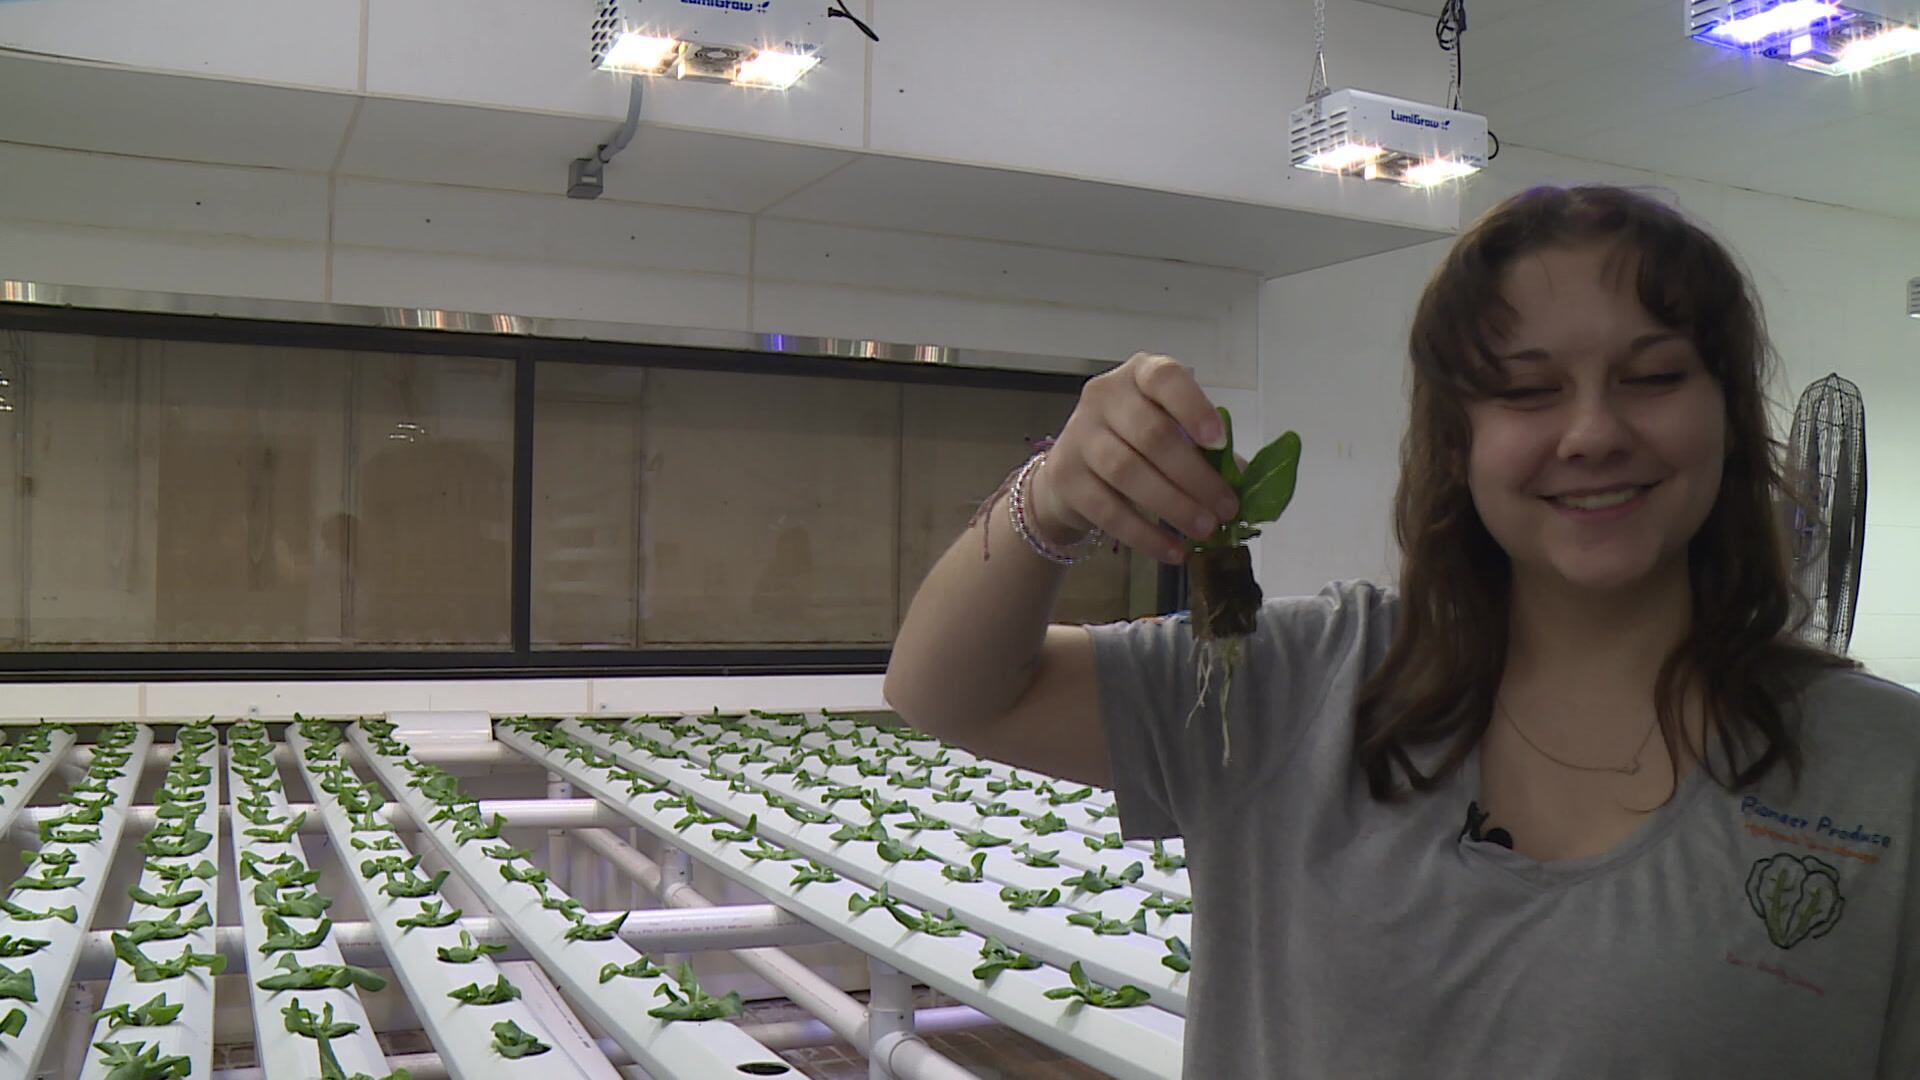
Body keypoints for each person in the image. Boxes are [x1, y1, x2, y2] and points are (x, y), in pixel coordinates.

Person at [884, 185, 1917, 1079]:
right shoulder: (1298, 683)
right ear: (1456, 440)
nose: (1595, 430)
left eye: (1653, 376)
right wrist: (1052, 497)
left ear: (1729, 416)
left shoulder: (1881, 775)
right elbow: (946, 689)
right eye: (1526, 388)